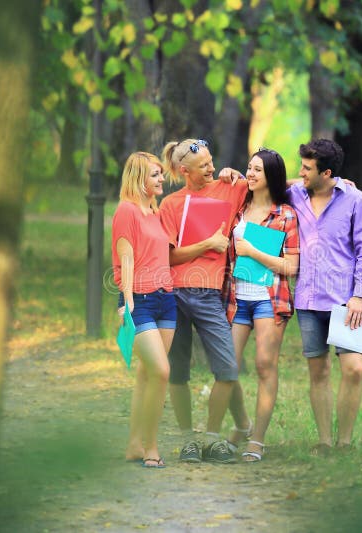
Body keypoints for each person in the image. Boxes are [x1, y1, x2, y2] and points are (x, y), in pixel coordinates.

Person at [158, 138, 249, 463]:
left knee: (227, 368)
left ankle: (211, 439)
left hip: (209, 294)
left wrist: (331, 182)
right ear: (184, 171)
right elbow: (169, 257)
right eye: (204, 166)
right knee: (177, 372)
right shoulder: (170, 204)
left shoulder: (228, 188)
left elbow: (271, 185)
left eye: (212, 161)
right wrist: (208, 243)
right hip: (175, 294)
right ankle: (188, 440)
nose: (212, 168)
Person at [286, 138, 362, 454]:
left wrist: (360, 296)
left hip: (345, 301)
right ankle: (324, 441)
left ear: (326, 173)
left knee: (354, 369)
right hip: (309, 301)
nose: (301, 173)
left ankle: (345, 442)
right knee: (319, 371)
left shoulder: (355, 199)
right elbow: (264, 184)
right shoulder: (294, 193)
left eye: (307, 168)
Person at [222, 148, 299, 462]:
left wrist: (252, 251)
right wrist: (227, 171)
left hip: (269, 299)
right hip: (237, 299)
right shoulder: (238, 206)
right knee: (225, 367)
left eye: (257, 170)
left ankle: (257, 440)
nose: (250, 174)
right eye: (248, 168)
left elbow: (290, 267)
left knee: (265, 366)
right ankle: (242, 425)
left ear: (270, 176)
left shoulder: (285, 215)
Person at [112, 152, 175, 468]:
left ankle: (134, 444)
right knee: (161, 371)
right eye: (155, 175)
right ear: (138, 178)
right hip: (140, 301)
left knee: (148, 374)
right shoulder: (127, 211)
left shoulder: (156, 213)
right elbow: (125, 260)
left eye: (161, 174)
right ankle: (151, 445)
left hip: (167, 301)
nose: (161, 179)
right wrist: (127, 306)